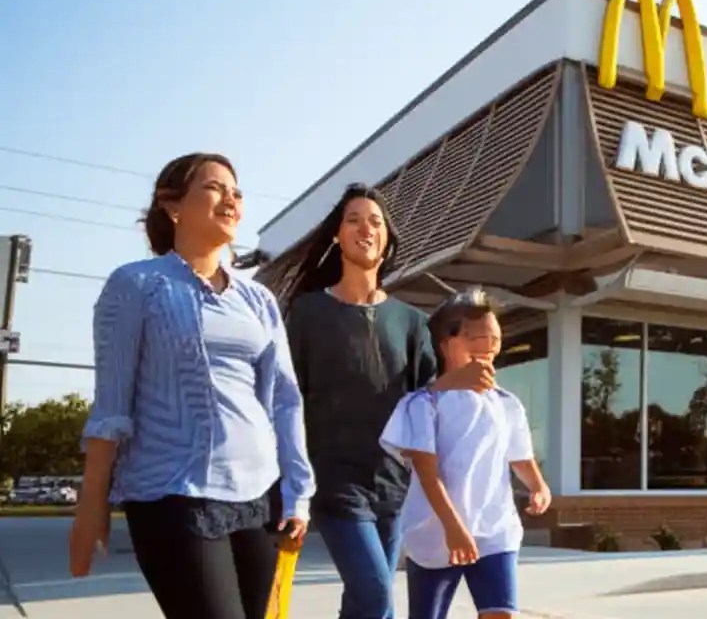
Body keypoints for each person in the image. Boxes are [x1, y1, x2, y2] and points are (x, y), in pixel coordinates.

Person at [68, 152, 315, 619]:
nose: (231, 199)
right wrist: (90, 506)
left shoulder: (258, 299)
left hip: (259, 499)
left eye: (237, 192)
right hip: (173, 497)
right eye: (215, 187)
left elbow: (284, 399)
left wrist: (297, 492)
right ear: (172, 205)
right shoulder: (136, 285)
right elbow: (111, 405)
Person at [279, 183, 495, 619]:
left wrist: (458, 380)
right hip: (335, 481)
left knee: (363, 601)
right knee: (377, 594)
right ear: (338, 235)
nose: (366, 228)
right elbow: (285, 399)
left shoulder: (412, 323)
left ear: (387, 239)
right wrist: (287, 485)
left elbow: (423, 403)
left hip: (393, 487)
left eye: (375, 221)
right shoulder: (307, 314)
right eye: (354, 220)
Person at [379, 288, 551, 619]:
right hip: (435, 533)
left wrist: (538, 486)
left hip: (494, 531)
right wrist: (453, 528)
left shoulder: (507, 404)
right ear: (445, 344)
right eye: (474, 338)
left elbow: (519, 456)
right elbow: (428, 474)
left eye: (495, 338)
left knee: (501, 613)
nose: (487, 347)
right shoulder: (423, 405)